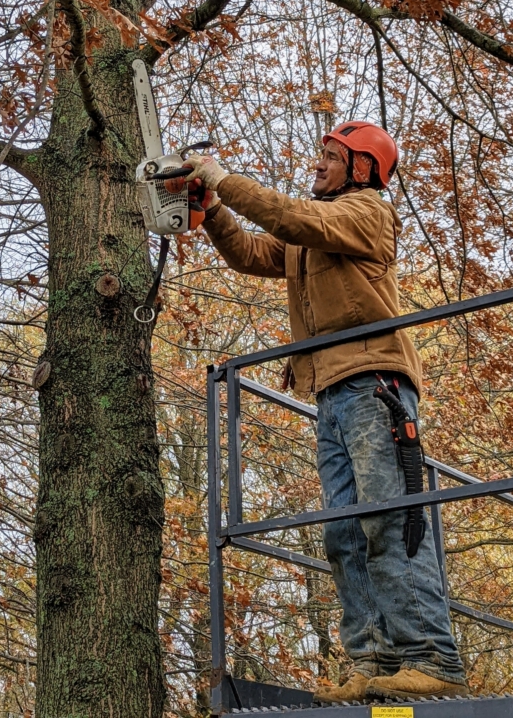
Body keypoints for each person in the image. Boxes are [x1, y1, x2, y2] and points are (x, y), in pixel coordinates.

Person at [180, 123, 468, 703]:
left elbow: (293, 219)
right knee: (344, 532)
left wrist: (224, 178)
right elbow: (253, 251)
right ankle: (374, 661)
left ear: (361, 170)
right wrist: (210, 208)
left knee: (388, 518)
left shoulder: (365, 212)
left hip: (372, 383)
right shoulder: (315, 235)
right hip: (331, 391)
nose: (318, 165)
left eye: (330, 158)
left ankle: (431, 657)